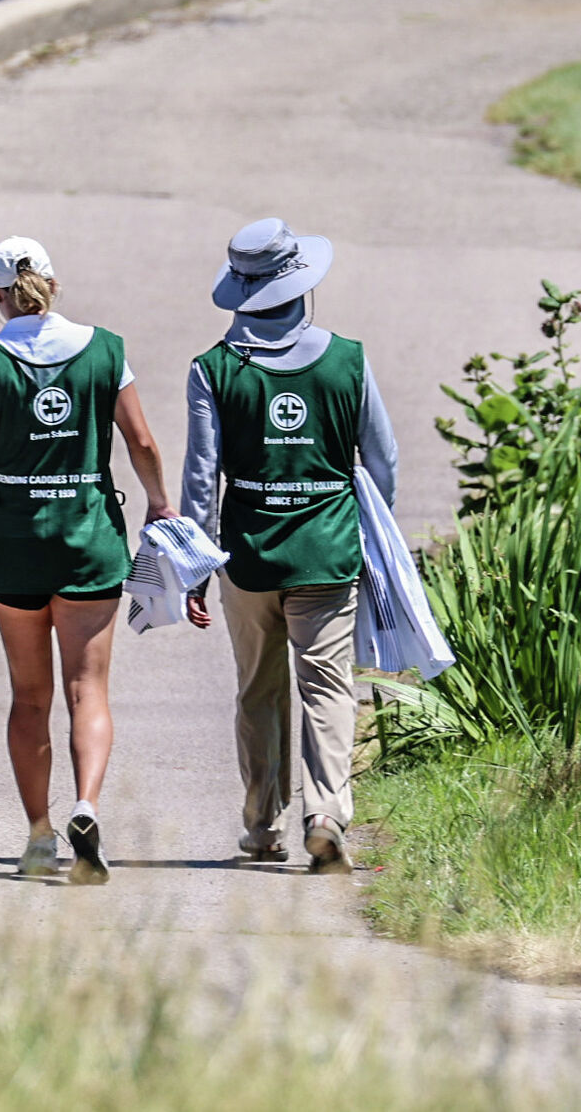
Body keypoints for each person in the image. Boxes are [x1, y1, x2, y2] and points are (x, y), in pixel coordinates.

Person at [0, 237, 175, 884]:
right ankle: (86, 804)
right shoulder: (105, 350)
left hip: (13, 544)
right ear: (53, 286)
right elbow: (140, 438)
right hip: (89, 539)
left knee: (29, 695)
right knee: (87, 688)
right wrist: (159, 502)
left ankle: (39, 835)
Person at [180, 218, 398, 873]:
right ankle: (326, 812)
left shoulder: (212, 370)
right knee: (328, 687)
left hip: (247, 558)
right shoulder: (348, 361)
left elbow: (200, 475)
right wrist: (375, 540)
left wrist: (195, 566)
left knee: (258, 690)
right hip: (327, 553)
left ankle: (262, 824)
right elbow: (382, 463)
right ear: (301, 285)